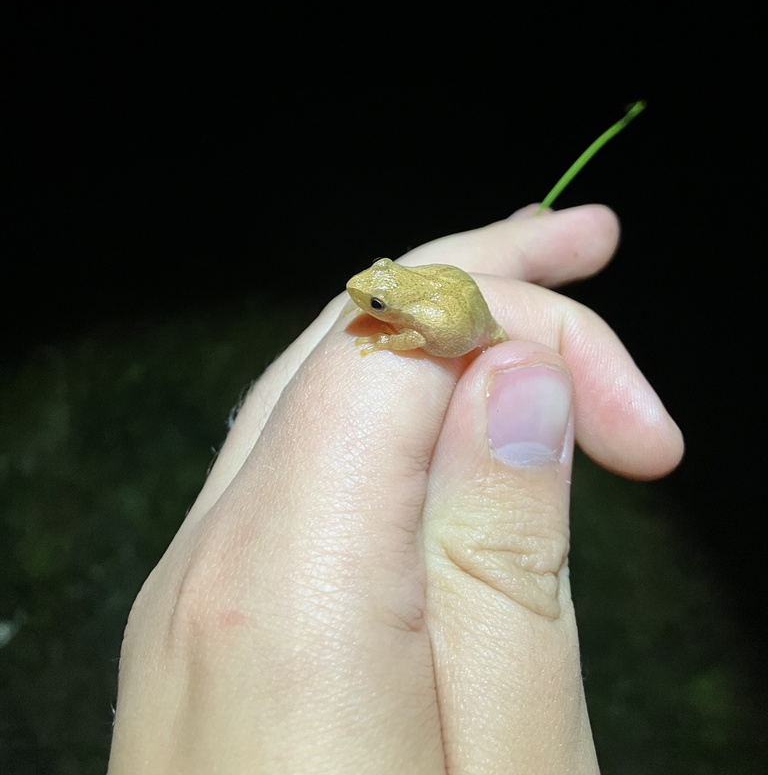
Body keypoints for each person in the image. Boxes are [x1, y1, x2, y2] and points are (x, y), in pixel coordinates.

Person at [107, 204, 683, 774]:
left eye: (376, 304)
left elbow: (422, 333)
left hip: (456, 331)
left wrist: (389, 340)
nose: (363, 297)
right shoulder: (397, 294)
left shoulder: (415, 325)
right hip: (459, 306)